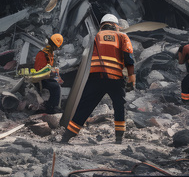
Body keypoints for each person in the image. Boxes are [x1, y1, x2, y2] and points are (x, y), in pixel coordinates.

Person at [62, 14, 136, 144]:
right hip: (115, 78)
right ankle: (119, 138)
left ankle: (66, 137)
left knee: (85, 106)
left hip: (96, 77)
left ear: (102, 24)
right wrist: (131, 78)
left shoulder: (95, 36)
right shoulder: (122, 37)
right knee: (119, 106)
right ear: (115, 25)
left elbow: (85, 54)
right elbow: (129, 60)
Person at [33, 34, 65, 113]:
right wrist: (49, 74)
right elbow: (38, 71)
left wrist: (57, 76)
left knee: (57, 84)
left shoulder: (50, 54)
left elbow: (51, 67)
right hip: (40, 79)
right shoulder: (42, 54)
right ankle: (52, 108)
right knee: (55, 87)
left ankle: (52, 106)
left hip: (46, 76)